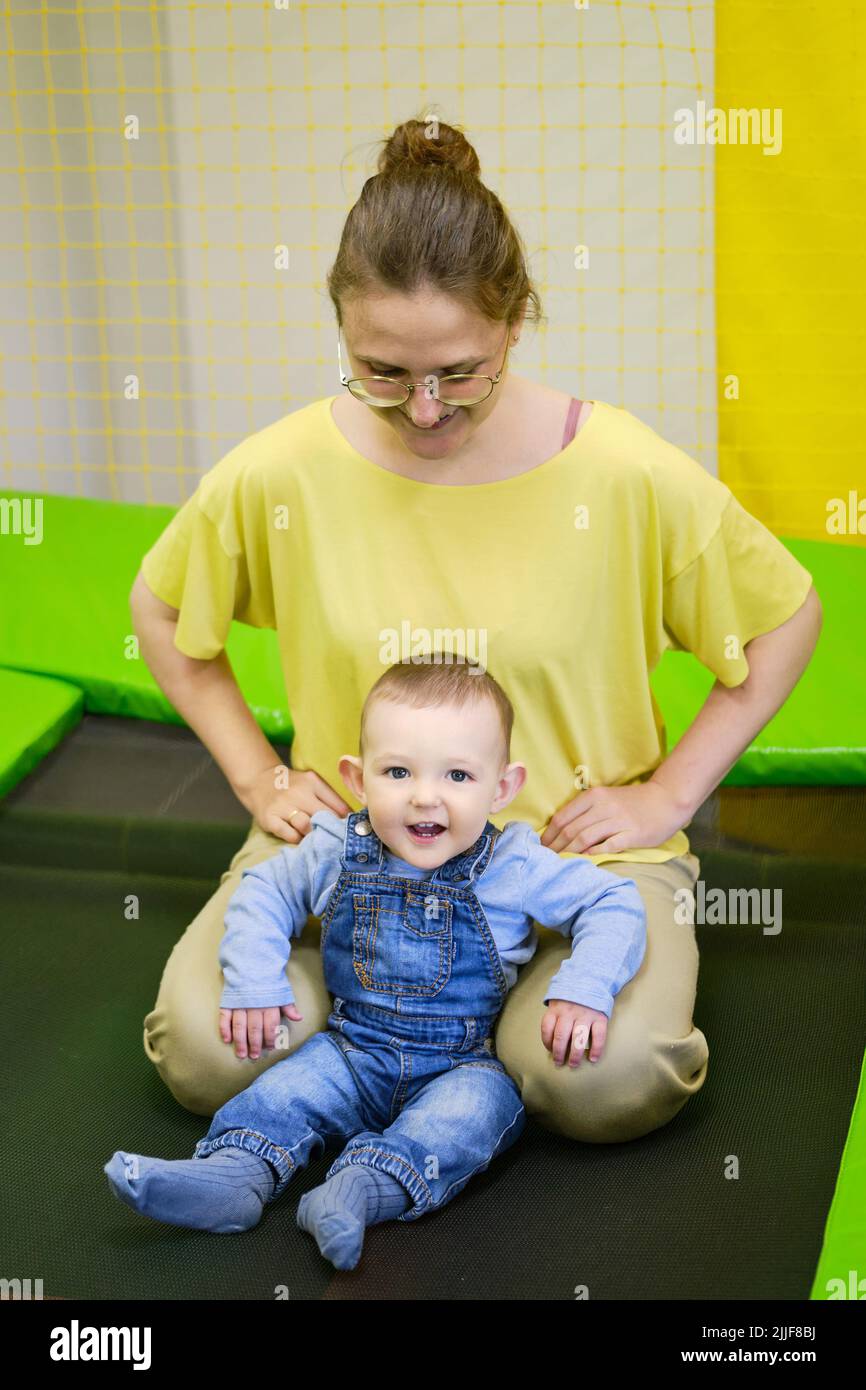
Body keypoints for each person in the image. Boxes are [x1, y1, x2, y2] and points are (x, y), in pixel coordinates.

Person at [132, 111, 822, 1142]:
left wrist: (670, 792)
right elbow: (160, 607)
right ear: (340, 329)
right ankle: (415, 1034)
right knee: (207, 1050)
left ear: (514, 320)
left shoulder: (622, 471)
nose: (420, 406)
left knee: (603, 1080)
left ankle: (467, 1035)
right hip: (351, 856)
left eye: (457, 372)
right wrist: (257, 778)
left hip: (571, 862)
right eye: (379, 371)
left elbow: (786, 618)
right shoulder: (278, 472)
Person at [105, 658, 646, 1269]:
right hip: (349, 1049)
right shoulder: (338, 847)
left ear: (502, 788)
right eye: (397, 771)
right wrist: (254, 977)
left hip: (462, 1062)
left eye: (459, 775)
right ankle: (234, 1176)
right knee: (284, 1094)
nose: (424, 796)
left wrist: (586, 985)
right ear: (358, 779)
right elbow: (266, 891)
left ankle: (357, 1192)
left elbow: (612, 901)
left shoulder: (513, 864)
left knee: (474, 1116)